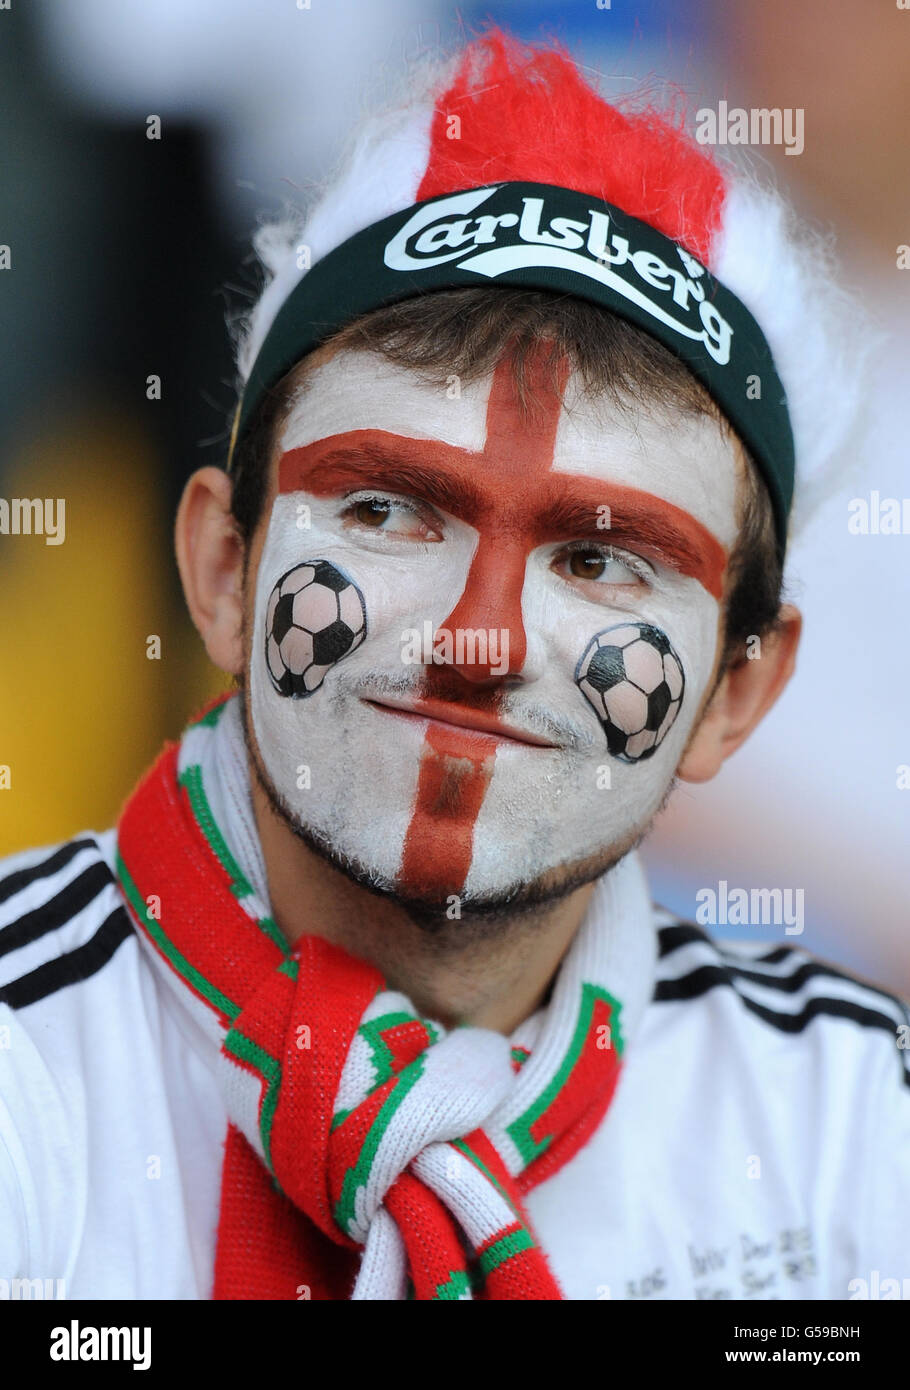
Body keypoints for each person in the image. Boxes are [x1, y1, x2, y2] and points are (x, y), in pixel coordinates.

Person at [1, 26, 906, 1302]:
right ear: (218, 568)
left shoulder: (853, 1125)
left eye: (602, 562)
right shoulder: (23, 1076)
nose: (479, 638)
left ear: (737, 690)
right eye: (385, 510)